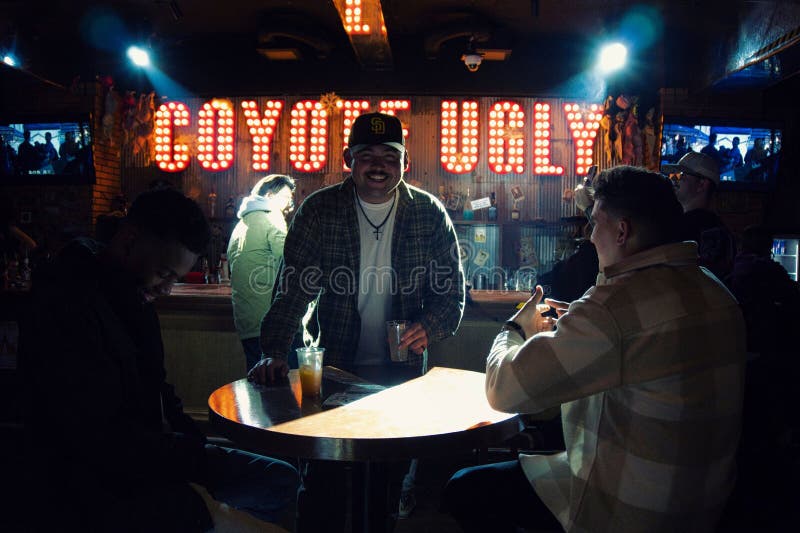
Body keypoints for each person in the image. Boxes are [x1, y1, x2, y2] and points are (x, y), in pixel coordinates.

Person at [442, 166, 746, 532]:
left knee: (465, 489)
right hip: (699, 504)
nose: (589, 236)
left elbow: (502, 390)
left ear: (622, 231)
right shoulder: (715, 291)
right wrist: (579, 322)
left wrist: (516, 328)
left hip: (626, 508)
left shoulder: (613, 308)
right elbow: (640, 341)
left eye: (595, 223)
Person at [21, 189, 299, 532]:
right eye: (164, 273)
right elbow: (99, 439)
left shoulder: (133, 296)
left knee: (281, 479)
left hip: (153, 456)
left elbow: (159, 390)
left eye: (175, 279)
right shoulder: (68, 305)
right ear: (129, 240)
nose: (167, 289)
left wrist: (195, 452)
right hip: (98, 483)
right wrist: (193, 485)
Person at [252, 112, 465, 531]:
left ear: (405, 162)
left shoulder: (429, 213)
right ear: (349, 159)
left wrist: (430, 325)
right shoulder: (319, 209)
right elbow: (293, 289)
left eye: (390, 155)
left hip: (401, 373)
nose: (378, 165)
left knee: (387, 484)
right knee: (324, 480)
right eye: (367, 155)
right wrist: (273, 350)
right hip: (333, 368)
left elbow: (451, 294)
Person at [228, 174, 295, 371]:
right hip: (268, 319)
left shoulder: (241, 224)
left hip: (245, 319)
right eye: (285, 197)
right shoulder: (271, 216)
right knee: (281, 381)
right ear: (269, 195)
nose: (289, 204)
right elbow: (288, 260)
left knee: (256, 379)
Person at [667, 151, 736, 281]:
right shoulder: (724, 232)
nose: (673, 179)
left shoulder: (681, 227)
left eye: (681, 175)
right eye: (673, 174)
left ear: (702, 184)